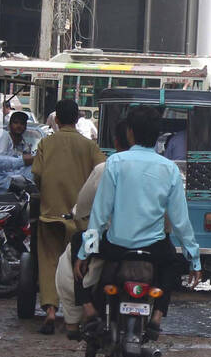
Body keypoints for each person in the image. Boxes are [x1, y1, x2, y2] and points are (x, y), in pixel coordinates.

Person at [76, 106, 203, 341]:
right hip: (154, 249)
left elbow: (100, 214)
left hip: (117, 247)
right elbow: (180, 220)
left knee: (79, 252)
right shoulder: (169, 169)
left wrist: (85, 252)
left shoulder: (115, 163)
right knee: (171, 265)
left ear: (130, 133)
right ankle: (156, 317)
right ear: (157, 135)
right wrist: (194, 258)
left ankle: (91, 311)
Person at [32, 99, 105, 333]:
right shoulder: (89, 146)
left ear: (58, 120)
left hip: (50, 216)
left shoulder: (46, 143)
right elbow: (102, 176)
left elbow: (37, 175)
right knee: (84, 264)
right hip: (82, 221)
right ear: (76, 120)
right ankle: (83, 312)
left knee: (49, 262)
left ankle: (51, 312)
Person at [56, 130, 130, 340]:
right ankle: (157, 314)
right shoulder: (161, 169)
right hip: (148, 242)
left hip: (107, 240)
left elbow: (83, 210)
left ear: (117, 141)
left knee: (79, 244)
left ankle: (84, 308)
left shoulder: (105, 169)